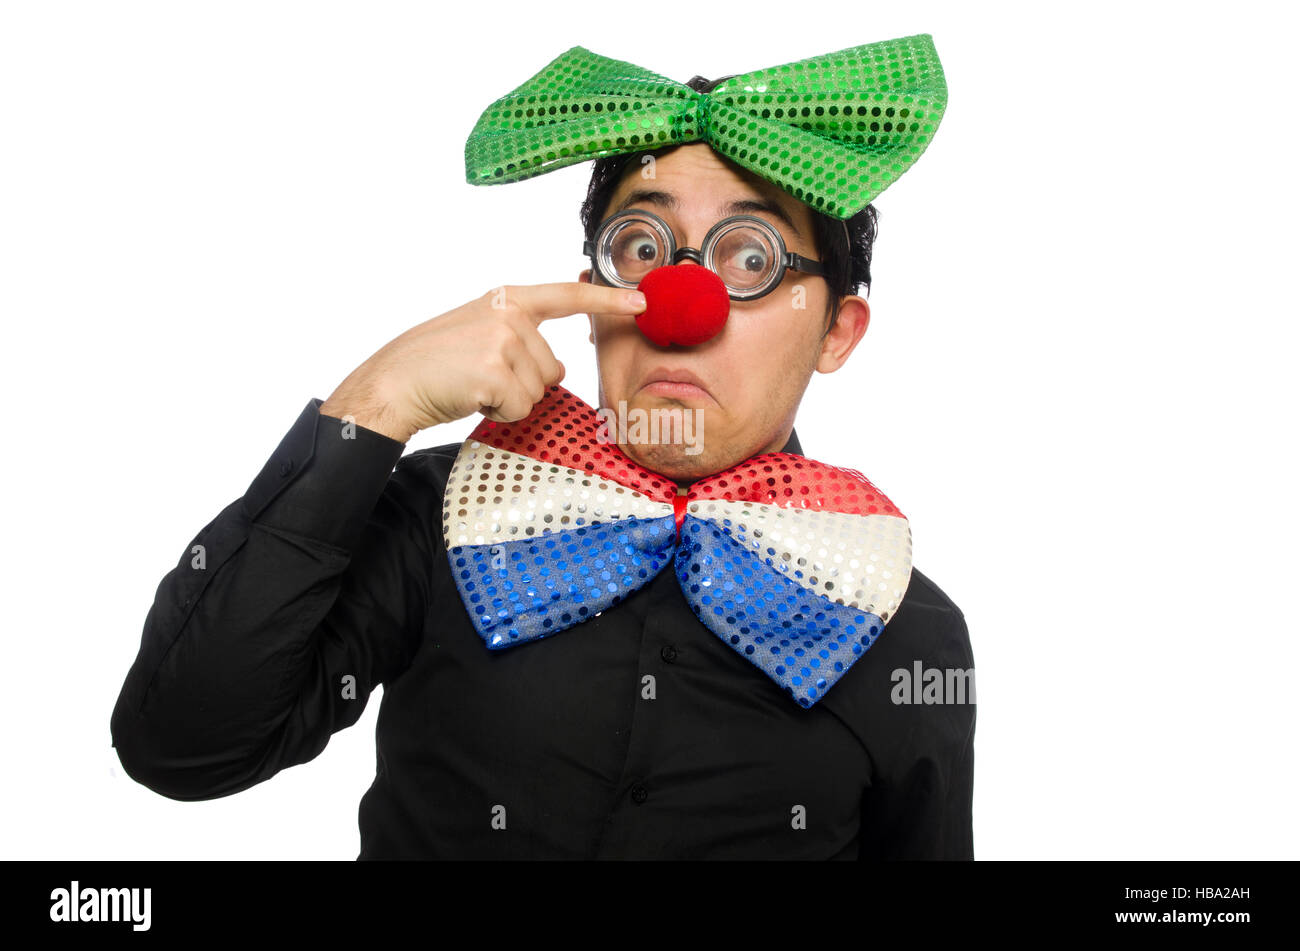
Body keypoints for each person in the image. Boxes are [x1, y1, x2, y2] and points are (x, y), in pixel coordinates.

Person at [111, 35, 975, 859]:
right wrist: (375, 403)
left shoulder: (906, 631)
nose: (680, 305)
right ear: (591, 291)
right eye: (640, 248)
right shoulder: (448, 511)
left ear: (836, 331)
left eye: (748, 257)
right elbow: (181, 745)